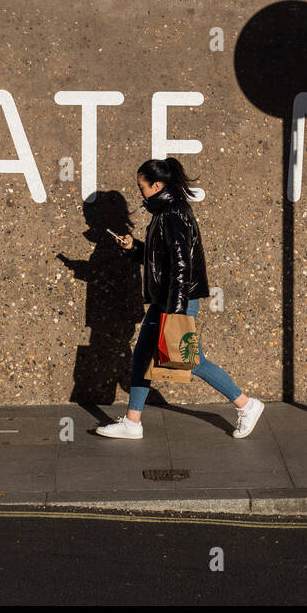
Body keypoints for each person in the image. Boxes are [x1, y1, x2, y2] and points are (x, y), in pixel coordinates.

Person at [97, 157, 265, 438]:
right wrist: (133, 247)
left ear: (157, 185)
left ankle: (246, 405)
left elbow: (180, 265)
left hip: (177, 301)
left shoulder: (173, 214)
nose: (140, 192)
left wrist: (175, 311)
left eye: (142, 187)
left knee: (192, 361)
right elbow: (161, 259)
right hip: (168, 299)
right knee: (142, 356)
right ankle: (132, 422)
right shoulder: (165, 213)